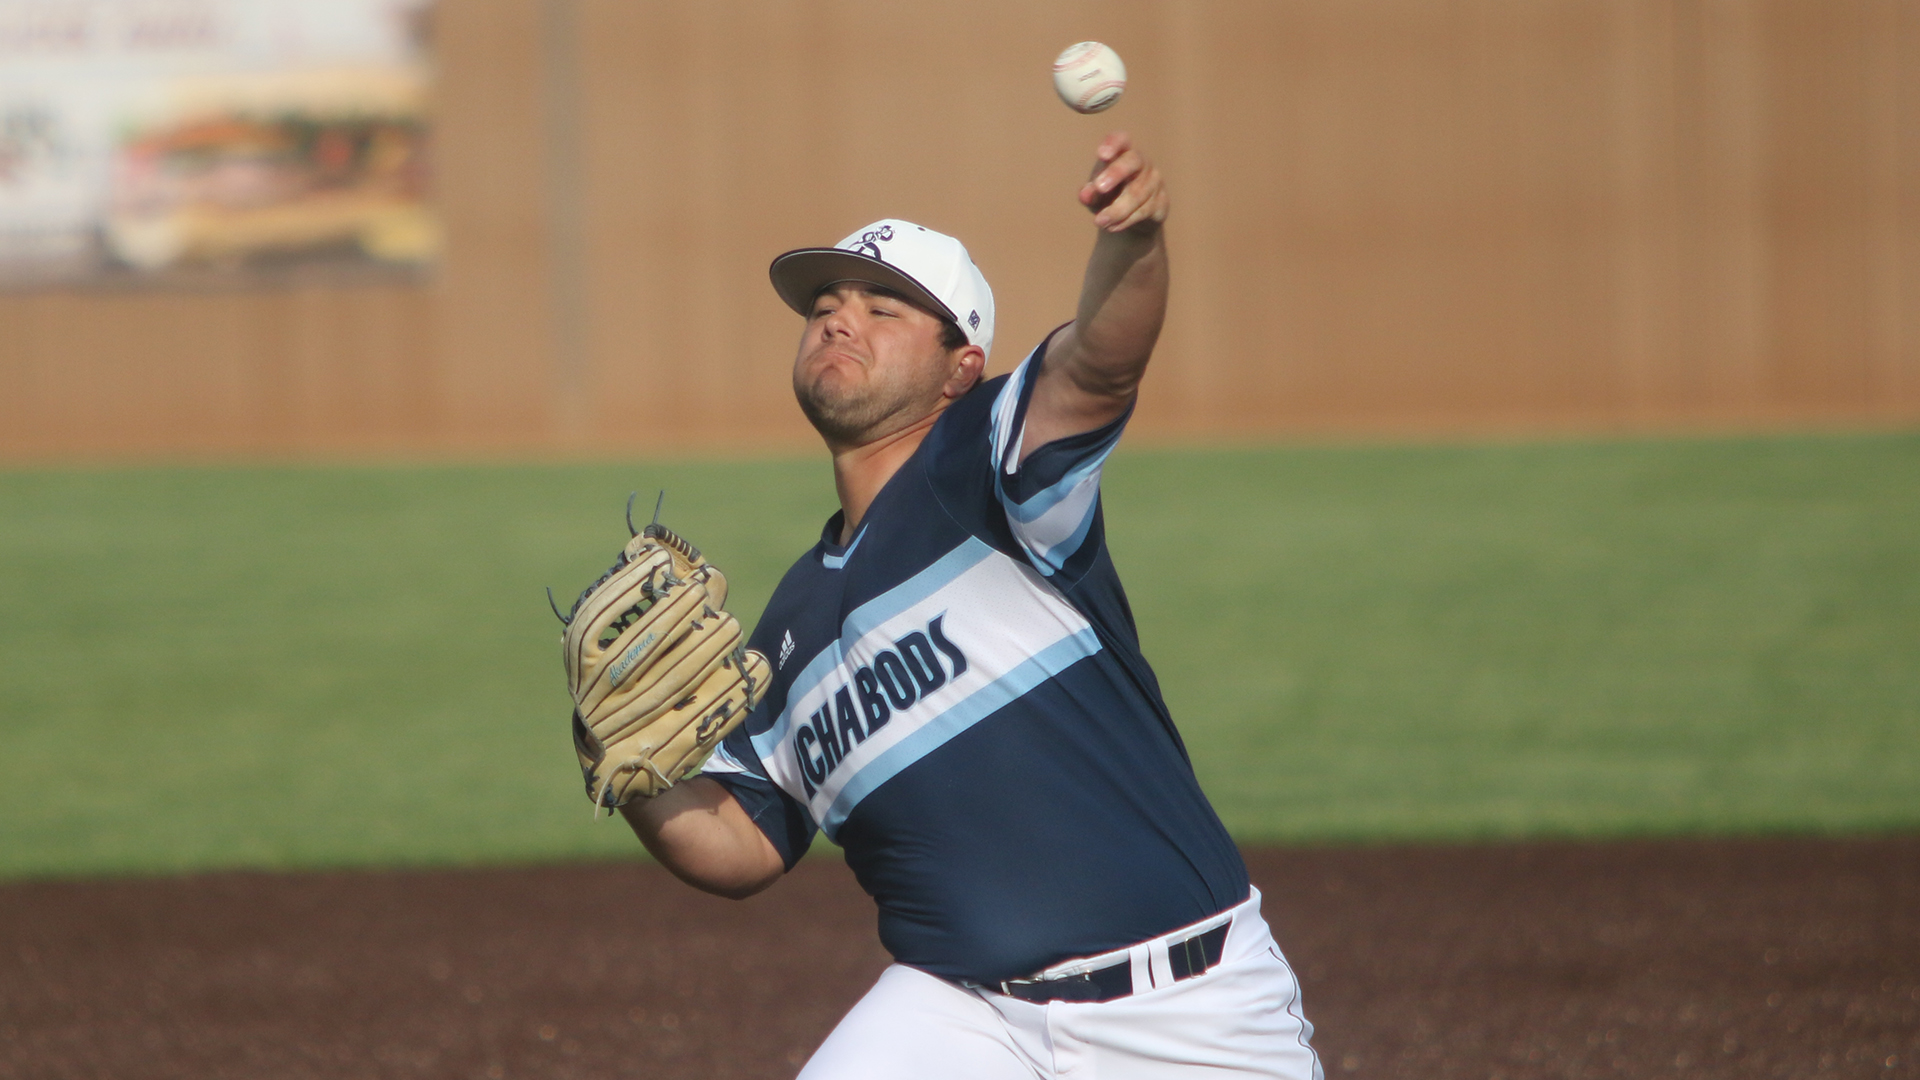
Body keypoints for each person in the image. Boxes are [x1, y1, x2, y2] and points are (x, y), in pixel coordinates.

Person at [618, 132, 1322, 1080]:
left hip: (1186, 1009)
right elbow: (740, 843)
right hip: (959, 1011)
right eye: (825, 305)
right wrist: (633, 773)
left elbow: (1100, 365)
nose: (838, 319)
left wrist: (1136, 238)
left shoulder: (992, 471)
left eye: (883, 305)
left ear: (962, 366)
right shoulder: (790, 620)